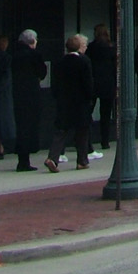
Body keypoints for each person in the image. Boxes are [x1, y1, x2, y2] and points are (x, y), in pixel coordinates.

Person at [45, 34, 95, 172]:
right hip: (80, 103)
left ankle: (53, 158)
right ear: (79, 47)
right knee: (82, 132)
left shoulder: (60, 62)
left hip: (64, 102)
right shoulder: (84, 61)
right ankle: (82, 161)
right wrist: (90, 97)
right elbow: (88, 83)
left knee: (61, 131)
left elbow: (54, 83)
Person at [9, 29, 47, 172]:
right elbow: (42, 72)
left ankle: (22, 159)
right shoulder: (34, 55)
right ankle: (25, 159)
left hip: (17, 93)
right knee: (30, 125)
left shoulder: (14, 55)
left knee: (21, 125)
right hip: (31, 93)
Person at [87, 24, 117, 152]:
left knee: (88, 111)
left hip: (93, 82)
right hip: (108, 83)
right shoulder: (111, 47)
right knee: (106, 114)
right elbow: (115, 66)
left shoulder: (91, 47)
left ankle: (87, 140)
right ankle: (105, 141)